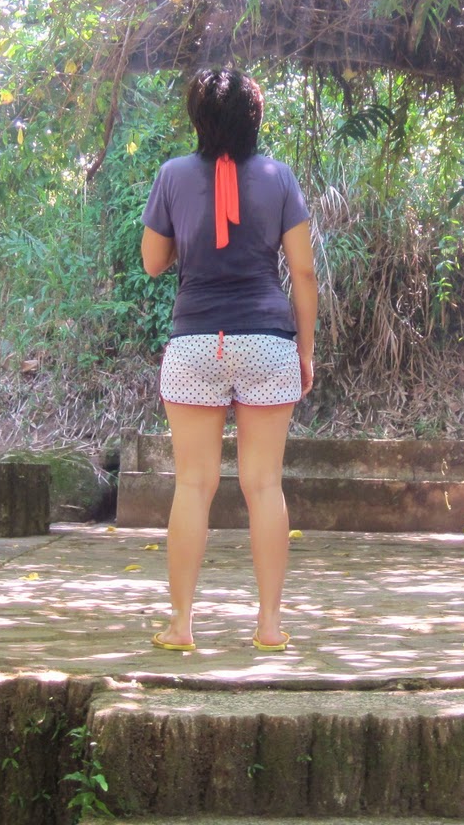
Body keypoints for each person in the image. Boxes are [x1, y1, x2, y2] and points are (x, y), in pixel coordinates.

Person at [140, 68, 316, 652]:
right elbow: (304, 272)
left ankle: (182, 626)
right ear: (253, 119)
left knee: (193, 485)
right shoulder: (279, 177)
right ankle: (268, 627)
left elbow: (152, 262)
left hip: (195, 344)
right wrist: (305, 350)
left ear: (198, 119)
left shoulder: (171, 176)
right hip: (268, 341)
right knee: (264, 485)